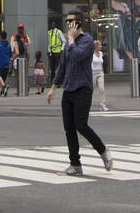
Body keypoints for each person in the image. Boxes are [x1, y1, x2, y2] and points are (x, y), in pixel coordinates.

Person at [47, 12, 113, 177]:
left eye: (71, 22)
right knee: (69, 128)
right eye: (67, 21)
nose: (68, 24)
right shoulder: (67, 44)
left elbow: (77, 56)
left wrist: (70, 40)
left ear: (79, 23)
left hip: (82, 88)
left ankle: (103, 150)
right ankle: (75, 164)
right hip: (68, 89)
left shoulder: (87, 41)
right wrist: (53, 87)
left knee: (80, 125)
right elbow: (62, 66)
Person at [92, 39, 108, 112]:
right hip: (93, 72)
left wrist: (102, 71)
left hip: (100, 72)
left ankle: (103, 104)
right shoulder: (91, 54)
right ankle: (86, 104)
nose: (101, 46)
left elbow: (101, 63)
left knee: (102, 89)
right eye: (99, 45)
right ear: (96, 46)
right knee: (91, 89)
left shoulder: (101, 53)